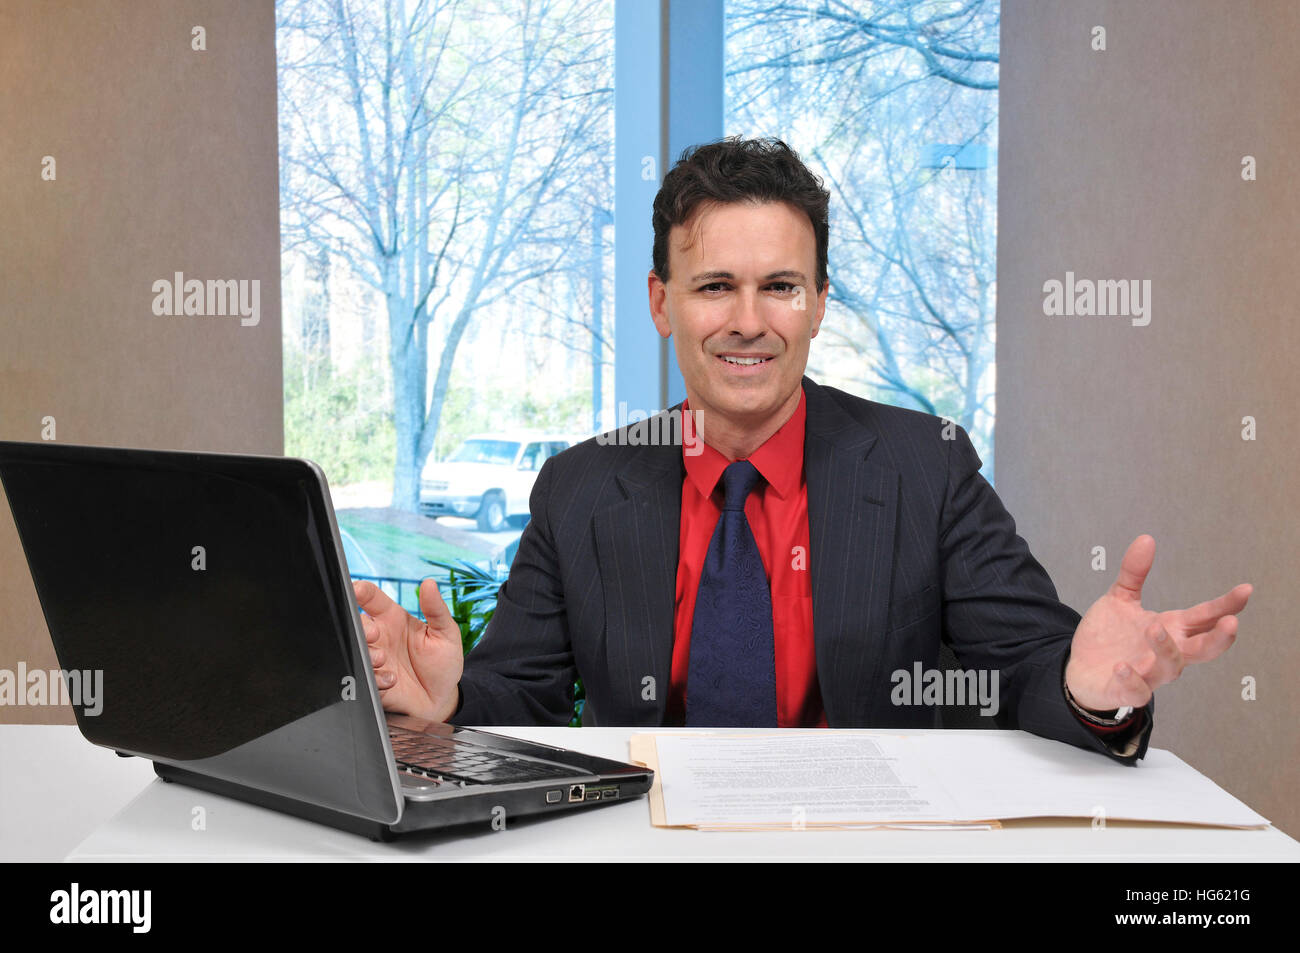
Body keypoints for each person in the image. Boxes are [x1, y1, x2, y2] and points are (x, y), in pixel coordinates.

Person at [354, 137, 1250, 763]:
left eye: (781, 286)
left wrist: (1094, 691)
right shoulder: (580, 487)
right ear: (662, 303)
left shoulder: (923, 465)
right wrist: (452, 705)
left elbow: (1029, 671)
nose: (750, 321)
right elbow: (524, 698)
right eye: (715, 287)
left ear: (819, 302)